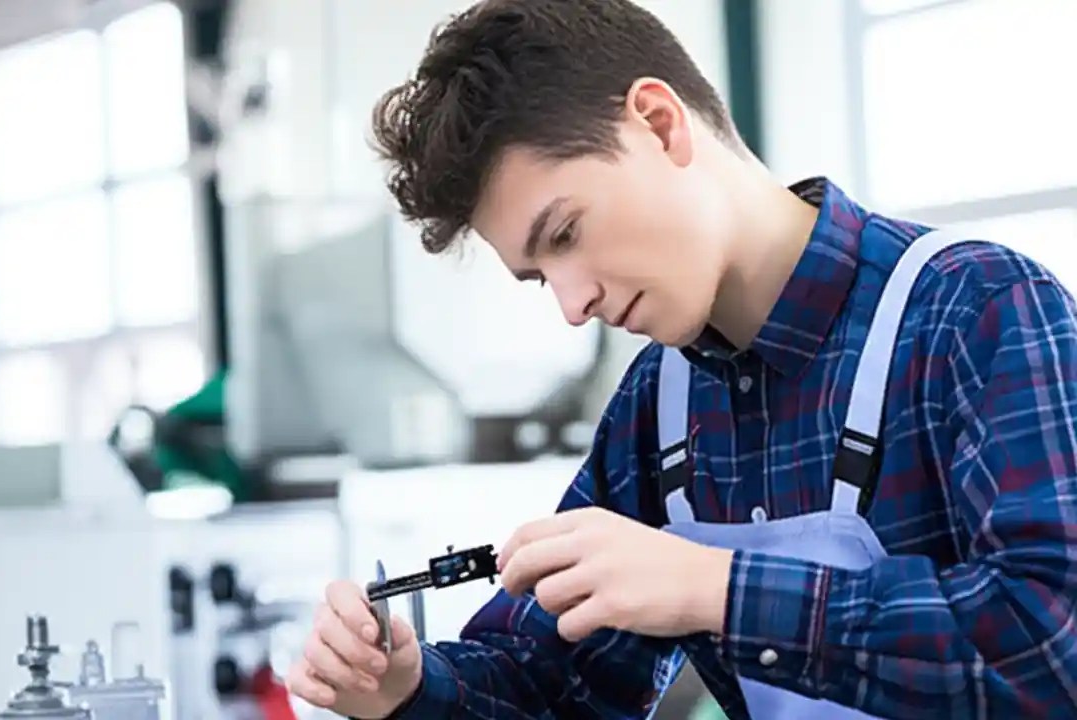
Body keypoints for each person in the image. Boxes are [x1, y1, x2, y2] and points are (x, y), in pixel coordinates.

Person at [285, 0, 1077, 718]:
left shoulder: (977, 310)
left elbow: (1054, 645)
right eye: (537, 277)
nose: (570, 305)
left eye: (564, 234)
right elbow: (553, 682)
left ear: (660, 124)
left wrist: (716, 590)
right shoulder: (657, 407)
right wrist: (411, 686)